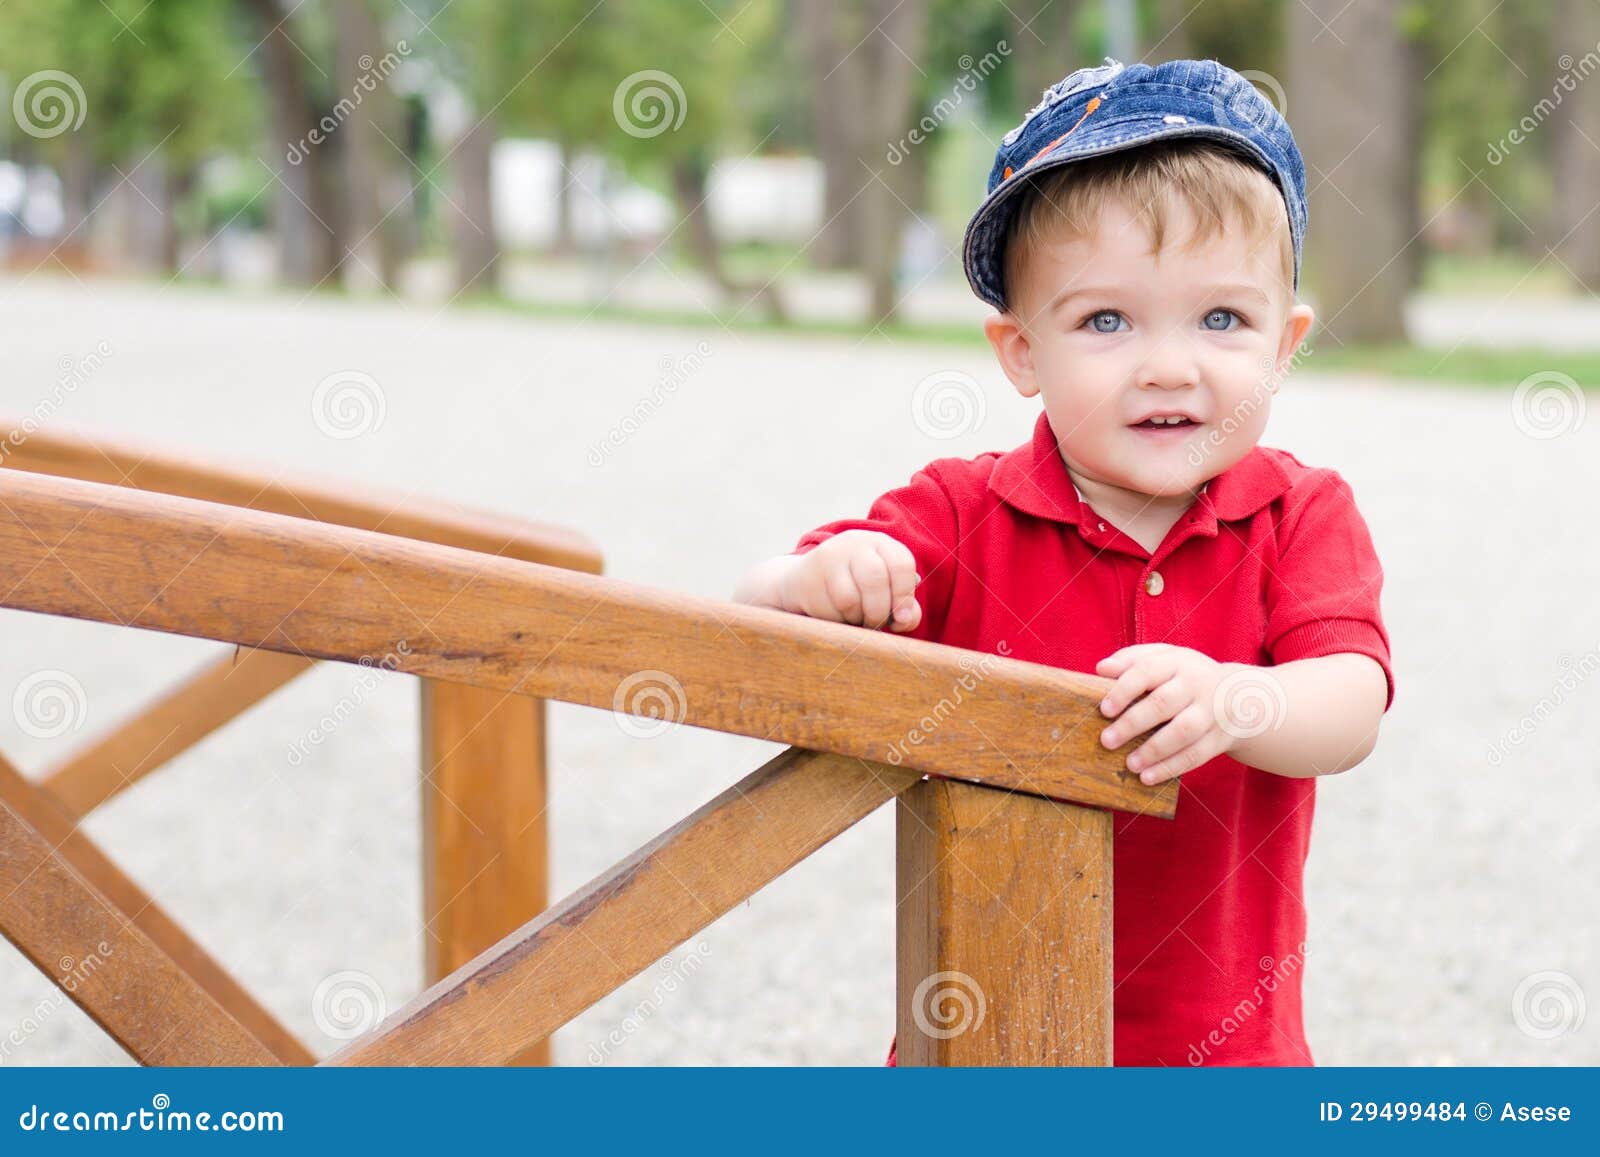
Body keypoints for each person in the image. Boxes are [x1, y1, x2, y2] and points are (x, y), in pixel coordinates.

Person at [731, 59, 1395, 1066]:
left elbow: (1349, 707)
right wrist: (820, 577)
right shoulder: (960, 510)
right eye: (1105, 320)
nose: (1169, 364)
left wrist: (1235, 700)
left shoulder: (1299, 513)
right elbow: (760, 615)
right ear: (1021, 352)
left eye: (1222, 319)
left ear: (1284, 343)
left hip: (1220, 1048)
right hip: (984, 1038)